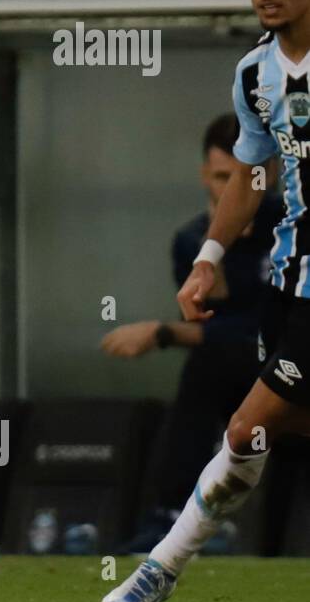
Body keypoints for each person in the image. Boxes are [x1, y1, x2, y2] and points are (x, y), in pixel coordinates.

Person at [103, 0, 310, 602]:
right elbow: (252, 173)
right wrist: (209, 255)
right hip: (292, 278)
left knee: (249, 424)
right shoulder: (256, 73)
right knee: (281, 423)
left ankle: (160, 566)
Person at [100, 114, 278, 552]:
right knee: (206, 368)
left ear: (270, 173)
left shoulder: (292, 227)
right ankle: (170, 516)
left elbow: (270, 328)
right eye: (221, 177)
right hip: (235, 369)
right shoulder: (192, 242)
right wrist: (215, 263)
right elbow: (218, 331)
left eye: (243, 177)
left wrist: (164, 333)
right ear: (205, 175)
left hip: (290, 363)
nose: (231, 189)